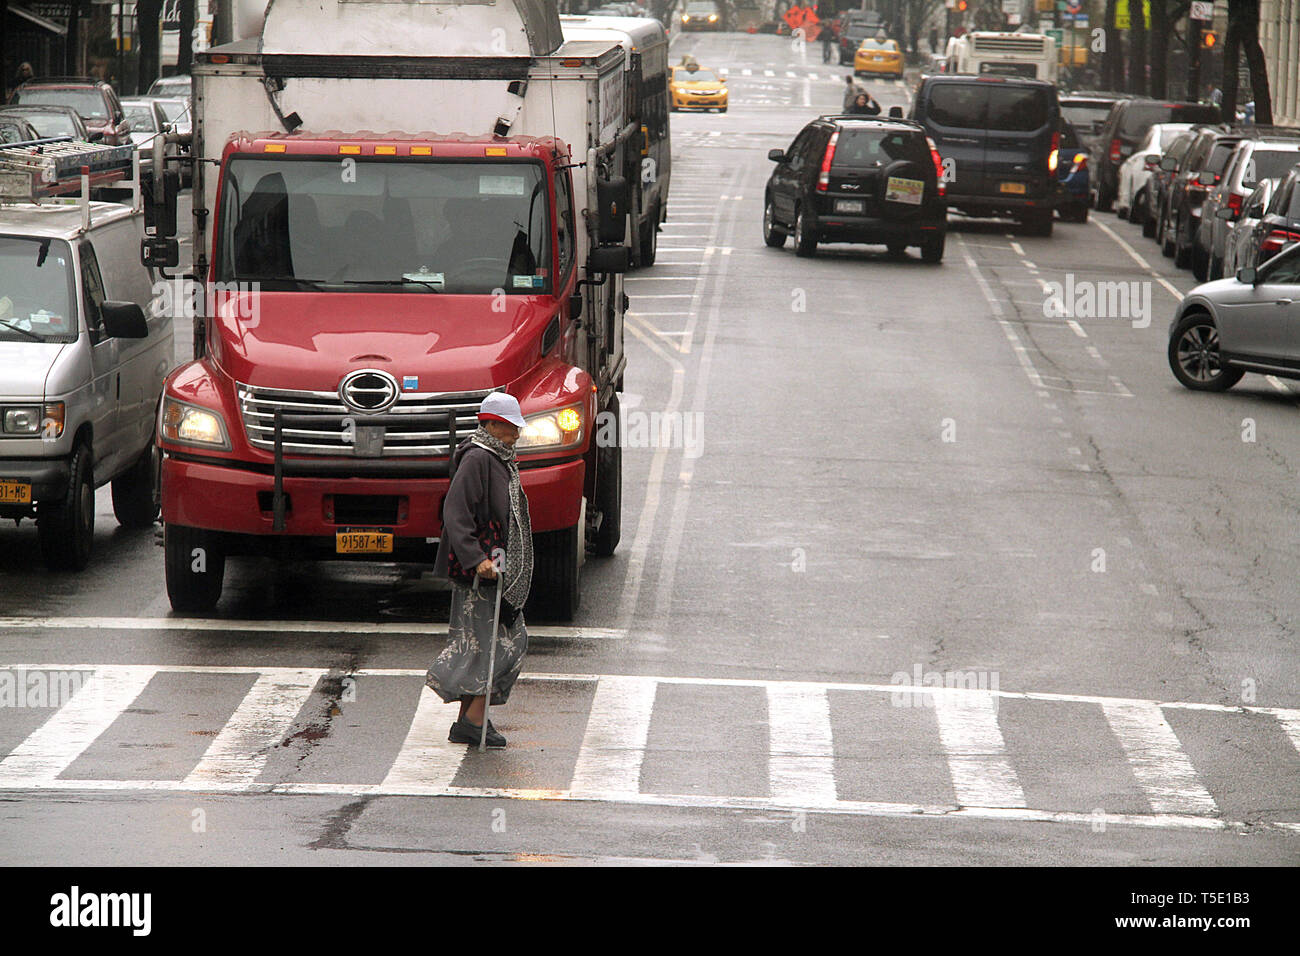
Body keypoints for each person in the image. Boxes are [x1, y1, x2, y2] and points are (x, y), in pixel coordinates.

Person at [426, 392, 534, 749]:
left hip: (496, 568)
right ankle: (472, 722)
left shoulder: (499, 458)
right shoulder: (478, 459)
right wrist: (477, 559)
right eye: (508, 427)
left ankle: (469, 721)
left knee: (490, 643)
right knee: (500, 644)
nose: (515, 434)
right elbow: (456, 513)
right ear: (489, 424)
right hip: (481, 571)